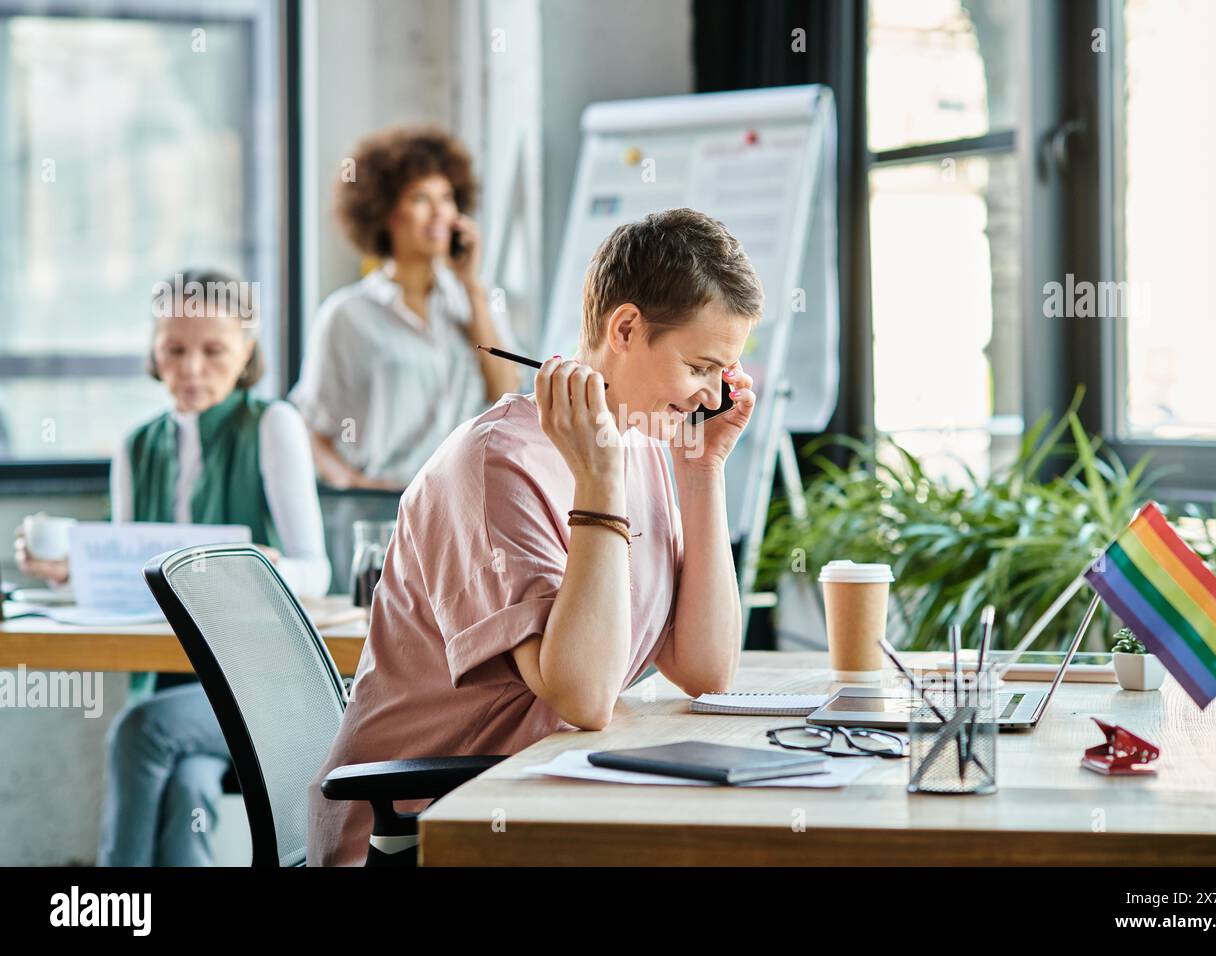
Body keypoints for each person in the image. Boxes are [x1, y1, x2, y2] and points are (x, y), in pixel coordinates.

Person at [308, 208, 763, 865]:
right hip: (421, 831)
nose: (711, 394)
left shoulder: (643, 444)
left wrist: (704, 468)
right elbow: (581, 696)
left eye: (723, 372)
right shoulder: (499, 461)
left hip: (532, 802)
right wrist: (598, 484)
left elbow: (705, 669)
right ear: (626, 328)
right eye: (699, 366)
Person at [14, 269, 331, 866]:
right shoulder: (137, 447)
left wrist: (263, 569)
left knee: (141, 734)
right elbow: (134, 578)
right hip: (176, 685)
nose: (190, 369)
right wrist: (70, 573)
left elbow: (318, 571)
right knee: (184, 784)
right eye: (174, 350)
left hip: (260, 687)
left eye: (213, 351)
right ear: (153, 353)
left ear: (246, 353)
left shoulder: (272, 425)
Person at [290, 124, 520, 491]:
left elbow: (506, 390)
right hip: (385, 505)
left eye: (446, 198)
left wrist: (471, 284)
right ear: (385, 212)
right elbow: (309, 427)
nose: (439, 214)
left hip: (465, 501)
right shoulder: (346, 316)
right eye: (420, 199)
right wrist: (351, 484)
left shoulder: (474, 299)